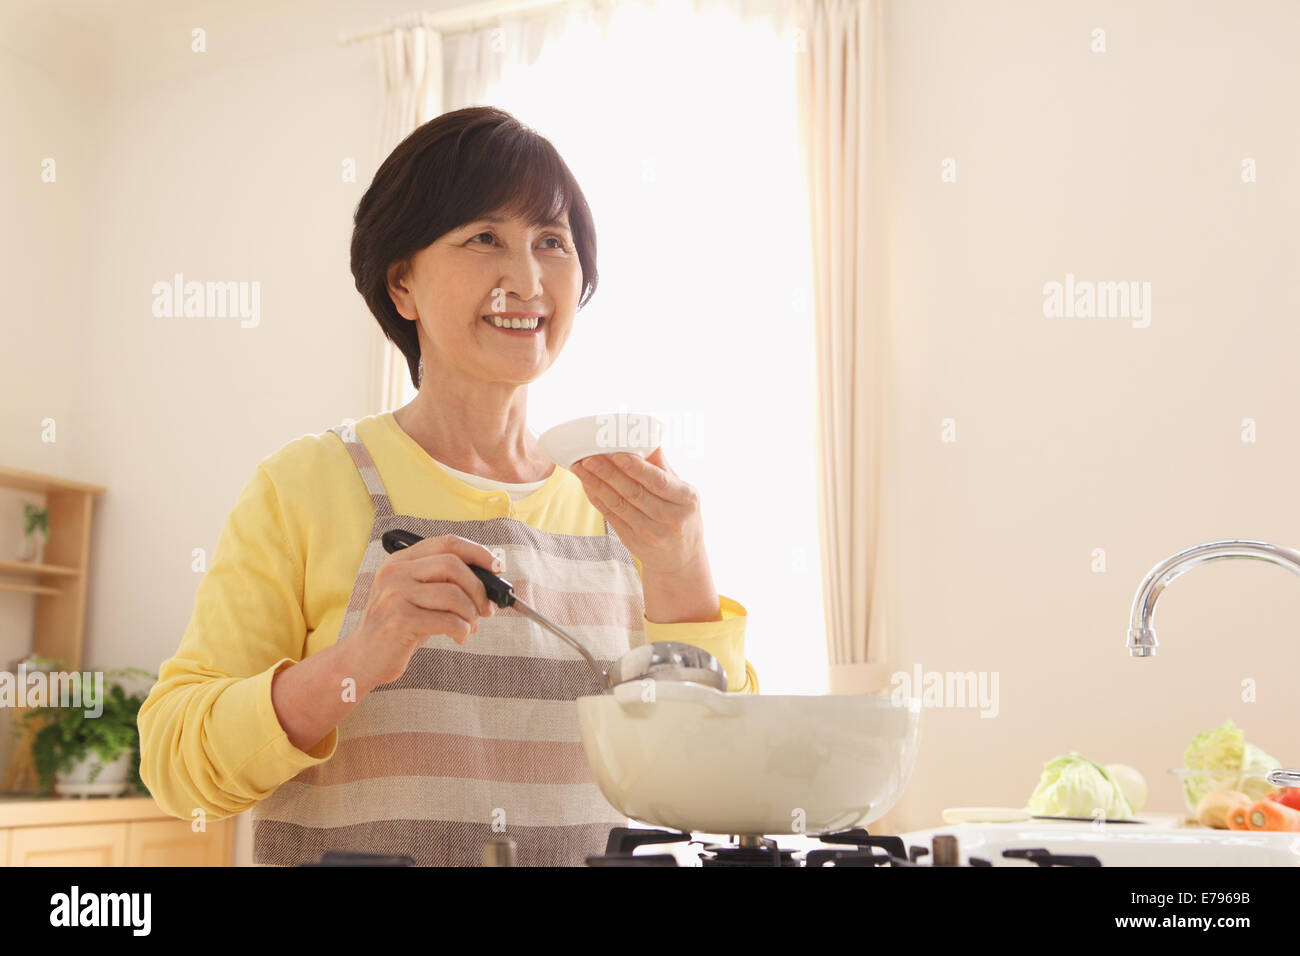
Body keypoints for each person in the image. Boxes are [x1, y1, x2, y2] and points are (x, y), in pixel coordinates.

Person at [137, 105, 757, 867]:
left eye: (552, 243)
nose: (527, 278)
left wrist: (683, 573)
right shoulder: (305, 484)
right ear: (402, 283)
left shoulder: (622, 502)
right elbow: (175, 766)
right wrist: (353, 662)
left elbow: (726, 783)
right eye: (484, 238)